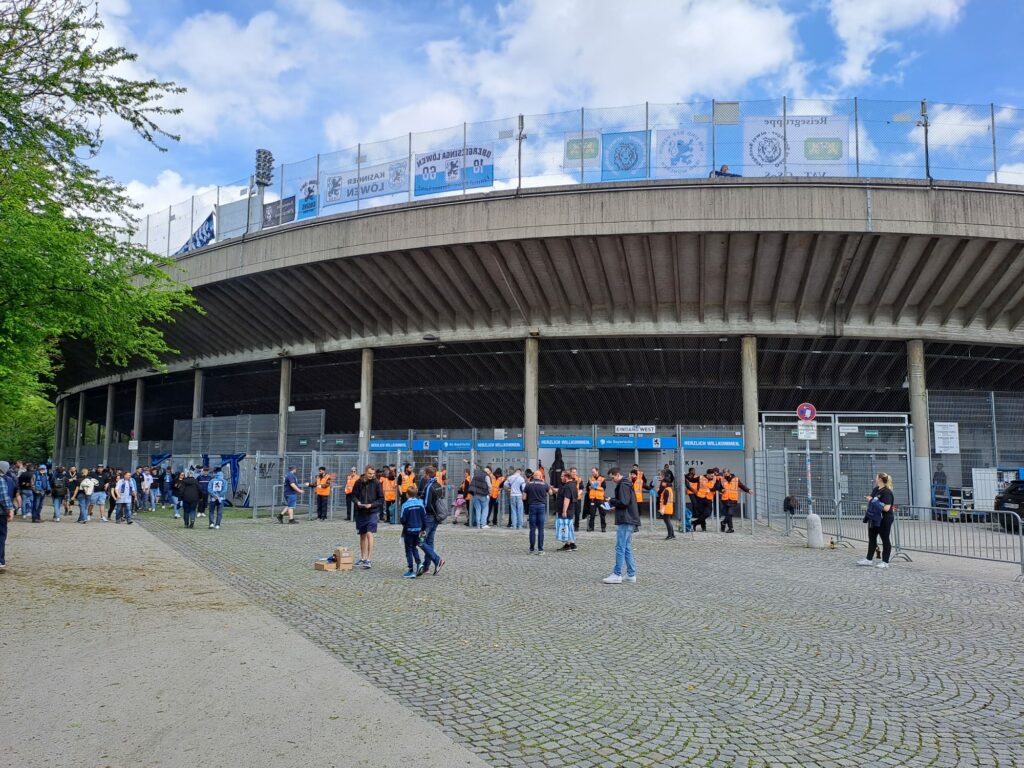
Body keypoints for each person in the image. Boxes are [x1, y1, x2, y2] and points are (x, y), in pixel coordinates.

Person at [603, 467, 639, 584]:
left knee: (620, 547)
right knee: (626, 547)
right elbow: (625, 502)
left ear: (618, 474)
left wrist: (612, 501)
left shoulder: (623, 485)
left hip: (625, 520)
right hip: (629, 518)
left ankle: (617, 574)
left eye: (613, 478)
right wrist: (616, 506)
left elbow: (624, 502)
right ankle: (631, 574)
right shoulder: (626, 484)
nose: (612, 480)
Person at [858, 472, 896, 570]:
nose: (875, 479)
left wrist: (873, 501)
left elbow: (887, 508)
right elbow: (872, 500)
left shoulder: (887, 492)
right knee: (872, 538)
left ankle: (885, 562)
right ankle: (868, 559)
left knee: (885, 539)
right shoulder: (876, 489)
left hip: (884, 519)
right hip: (874, 517)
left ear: (880, 479)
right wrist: (870, 499)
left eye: (876, 477)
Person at [352, 466, 383, 568]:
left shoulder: (377, 483)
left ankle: (369, 559)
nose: (371, 475)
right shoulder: (358, 482)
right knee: (362, 535)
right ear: (365, 472)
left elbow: (381, 499)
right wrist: (357, 502)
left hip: (372, 512)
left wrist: (372, 505)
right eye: (370, 473)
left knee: (370, 533)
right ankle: (363, 558)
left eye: (373, 474)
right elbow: (353, 495)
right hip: (361, 511)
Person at [417, 467, 445, 575]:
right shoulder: (438, 485)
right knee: (429, 542)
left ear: (428, 474)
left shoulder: (429, 486)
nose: (424, 476)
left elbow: (426, 504)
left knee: (420, 541)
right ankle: (426, 567)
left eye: (425, 474)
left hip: (429, 517)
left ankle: (437, 560)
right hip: (436, 516)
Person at [399, 485, 427, 579]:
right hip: (418, 530)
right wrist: (423, 529)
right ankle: (419, 564)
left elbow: (402, 519)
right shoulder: (420, 504)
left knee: (408, 550)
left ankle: (411, 570)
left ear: (407, 494)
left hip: (409, 530)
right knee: (414, 547)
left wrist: (406, 525)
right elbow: (424, 517)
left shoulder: (405, 505)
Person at [524, 469, 550, 554]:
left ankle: (531, 549)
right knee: (541, 529)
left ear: (533, 476)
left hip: (532, 506)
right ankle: (540, 549)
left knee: (532, 529)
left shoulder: (528, 484)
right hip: (541, 506)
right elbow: (550, 493)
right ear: (541, 476)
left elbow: (524, 497)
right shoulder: (544, 484)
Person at [555, 470, 578, 552]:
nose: (560, 478)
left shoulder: (567, 486)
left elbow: (567, 499)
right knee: (569, 527)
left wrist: (564, 511)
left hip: (566, 511)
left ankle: (567, 545)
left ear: (566, 477)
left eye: (562, 476)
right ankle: (573, 544)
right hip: (571, 510)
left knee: (564, 527)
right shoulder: (573, 485)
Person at [0, 461, 16, 570]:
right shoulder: (1, 480)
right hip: (0, 513)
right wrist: (10, 509)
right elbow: (3, 497)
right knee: (1, 536)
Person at [470, 464, 490, 529]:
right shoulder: (486, 476)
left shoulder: (475, 475)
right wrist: (489, 493)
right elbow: (489, 485)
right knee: (485, 508)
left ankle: (478, 524)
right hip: (483, 494)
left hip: (475, 494)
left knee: (478, 509)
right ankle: (483, 524)